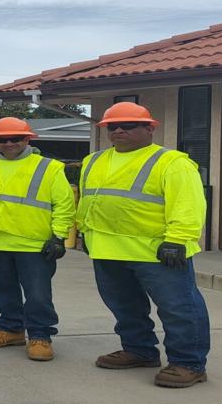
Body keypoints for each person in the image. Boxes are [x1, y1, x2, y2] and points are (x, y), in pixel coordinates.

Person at [77, 102, 211, 388]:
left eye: (129, 125)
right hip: (107, 248)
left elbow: (189, 205)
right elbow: (90, 200)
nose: (120, 130)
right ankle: (138, 350)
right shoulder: (94, 160)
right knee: (124, 306)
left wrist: (177, 240)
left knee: (179, 307)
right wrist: (85, 232)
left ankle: (188, 363)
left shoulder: (171, 162)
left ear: (149, 128)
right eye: (113, 126)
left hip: (157, 252)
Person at [0, 117, 75, 362]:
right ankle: (10, 329)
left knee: (37, 294)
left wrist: (59, 237)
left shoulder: (48, 167)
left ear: (28, 139)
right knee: (1, 289)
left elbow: (64, 204)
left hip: (33, 244)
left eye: (16, 138)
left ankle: (40, 336)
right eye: (3, 139)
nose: (9, 143)